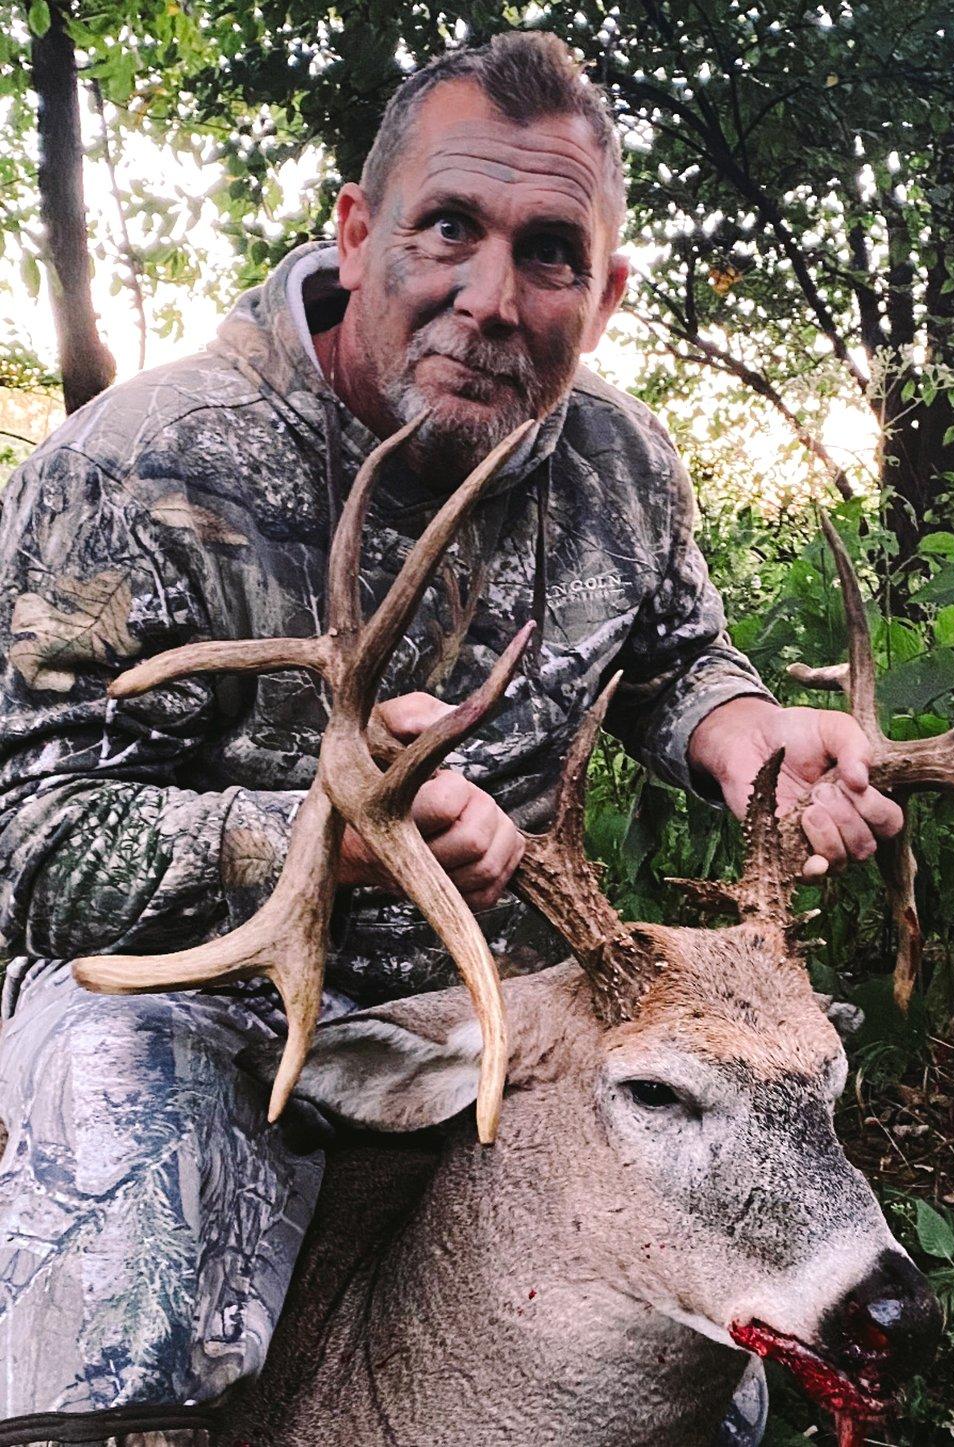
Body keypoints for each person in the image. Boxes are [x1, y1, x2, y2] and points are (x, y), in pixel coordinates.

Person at [0, 29, 902, 1445]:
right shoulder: (139, 468)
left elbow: (678, 660)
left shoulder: (618, 462)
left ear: (603, 293)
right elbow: (29, 845)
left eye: (548, 254)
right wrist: (321, 838)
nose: (490, 299)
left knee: (696, 1221)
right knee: (122, 1195)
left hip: (503, 1004)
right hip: (202, 1001)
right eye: (446, 229)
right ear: (358, 233)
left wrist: (744, 735)